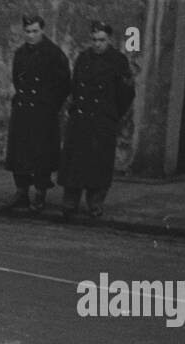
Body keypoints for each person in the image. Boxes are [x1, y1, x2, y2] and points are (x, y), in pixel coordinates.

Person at [59, 21, 136, 220]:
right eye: (94, 40)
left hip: (103, 119)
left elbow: (126, 93)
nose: (97, 44)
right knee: (75, 162)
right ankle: (70, 201)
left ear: (109, 40)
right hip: (82, 118)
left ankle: (95, 203)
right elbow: (75, 86)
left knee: (99, 164)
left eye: (101, 40)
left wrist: (111, 114)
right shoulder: (83, 58)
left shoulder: (118, 61)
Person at [3, 14, 72, 214]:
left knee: (41, 155)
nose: (31, 35)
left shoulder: (54, 54)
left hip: (43, 113)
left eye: (35, 31)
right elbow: (17, 79)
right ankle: (21, 192)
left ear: (42, 30)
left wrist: (49, 104)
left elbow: (64, 85)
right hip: (23, 110)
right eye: (27, 31)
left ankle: (40, 195)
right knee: (19, 154)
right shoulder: (20, 53)